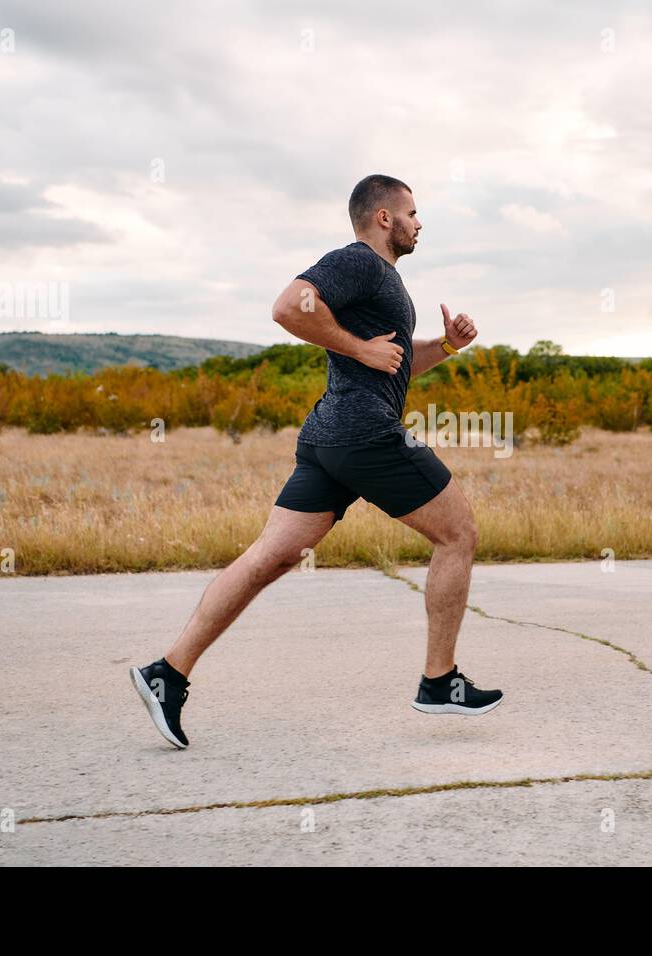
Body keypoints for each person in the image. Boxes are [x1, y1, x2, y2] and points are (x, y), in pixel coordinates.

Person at [130, 174, 502, 749]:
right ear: (384, 218)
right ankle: (439, 681)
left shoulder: (386, 284)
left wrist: (447, 345)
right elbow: (286, 307)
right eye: (412, 212)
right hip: (364, 435)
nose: (419, 223)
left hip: (329, 437)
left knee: (267, 560)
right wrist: (356, 347)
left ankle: (167, 673)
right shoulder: (358, 263)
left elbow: (394, 364)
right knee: (459, 534)